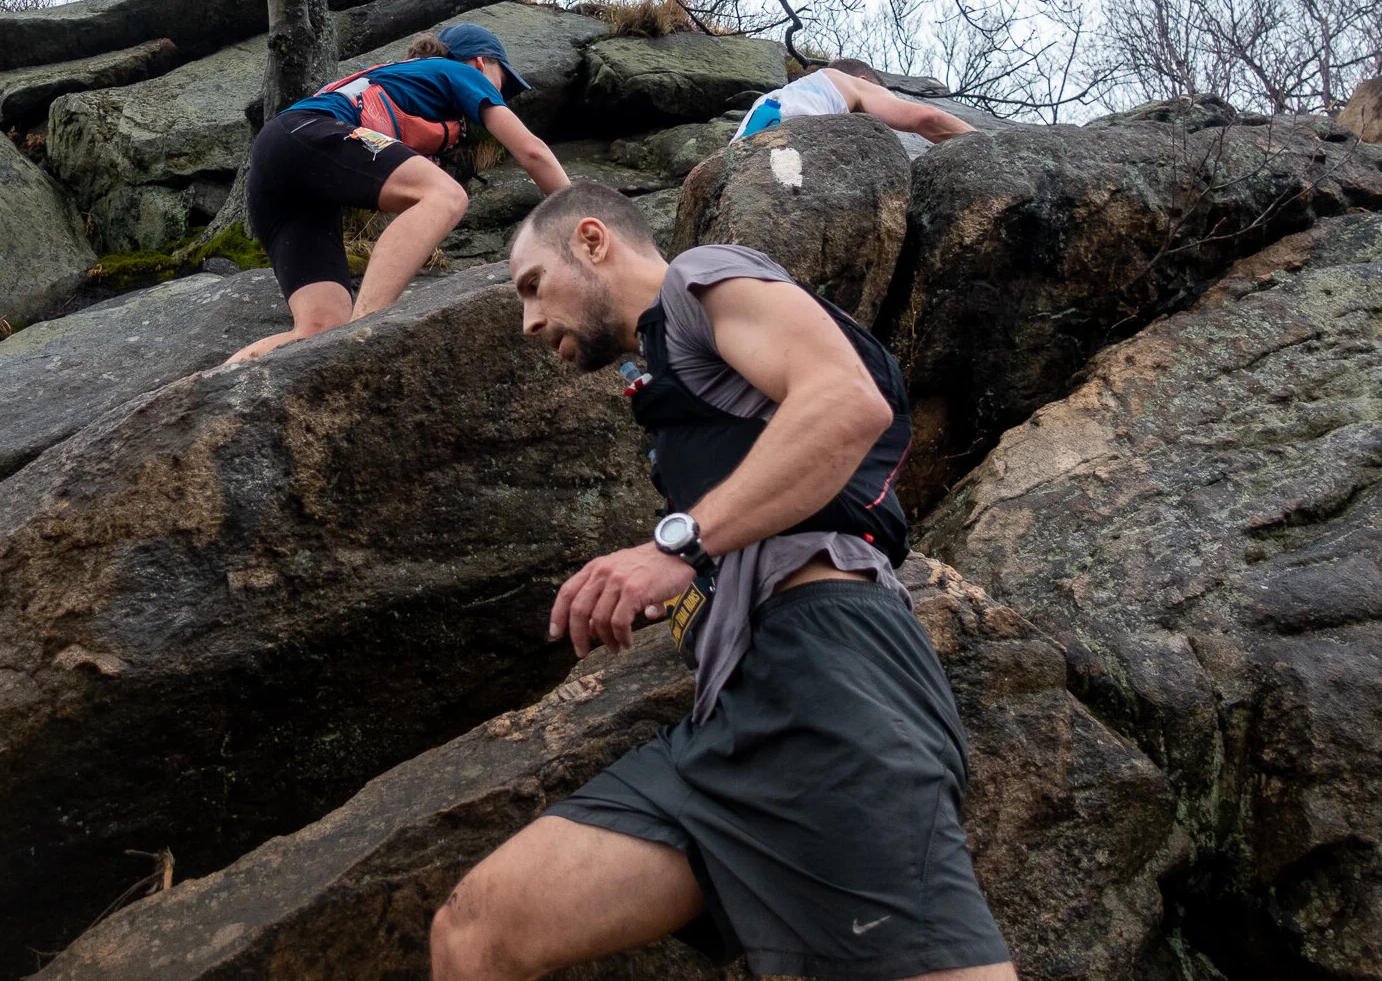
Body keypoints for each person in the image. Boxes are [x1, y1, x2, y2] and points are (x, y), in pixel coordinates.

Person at [432, 181, 1016, 981]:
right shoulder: (672, 379)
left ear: (593, 241)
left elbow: (847, 402)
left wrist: (679, 546)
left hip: (829, 676)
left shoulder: (702, 278)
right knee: (473, 934)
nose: (528, 321)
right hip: (735, 712)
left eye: (534, 285)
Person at [224, 22, 569, 363]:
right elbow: (532, 152)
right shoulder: (460, 72)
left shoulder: (406, 82)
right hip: (306, 132)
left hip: (279, 166)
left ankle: (213, 385)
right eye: (502, 81)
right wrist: (581, 214)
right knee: (445, 196)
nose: (501, 94)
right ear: (481, 62)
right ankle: (362, 333)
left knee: (320, 328)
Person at [737, 56, 977, 144]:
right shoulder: (852, 83)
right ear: (863, 80)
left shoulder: (773, 99)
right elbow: (927, 118)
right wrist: (987, 147)